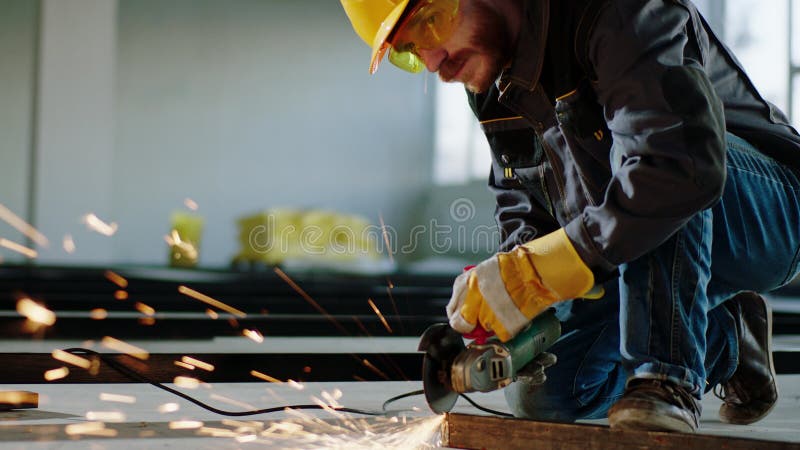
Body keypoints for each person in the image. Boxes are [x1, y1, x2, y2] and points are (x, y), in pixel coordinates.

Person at [340, 0, 800, 433]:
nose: (433, 60)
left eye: (428, 23)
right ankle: (728, 339)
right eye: (408, 50)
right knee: (548, 395)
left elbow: (674, 166)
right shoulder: (493, 82)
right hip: (638, 233)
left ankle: (665, 377)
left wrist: (548, 266)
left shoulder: (611, 13)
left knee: (652, 155)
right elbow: (524, 206)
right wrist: (512, 297)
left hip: (767, 210)